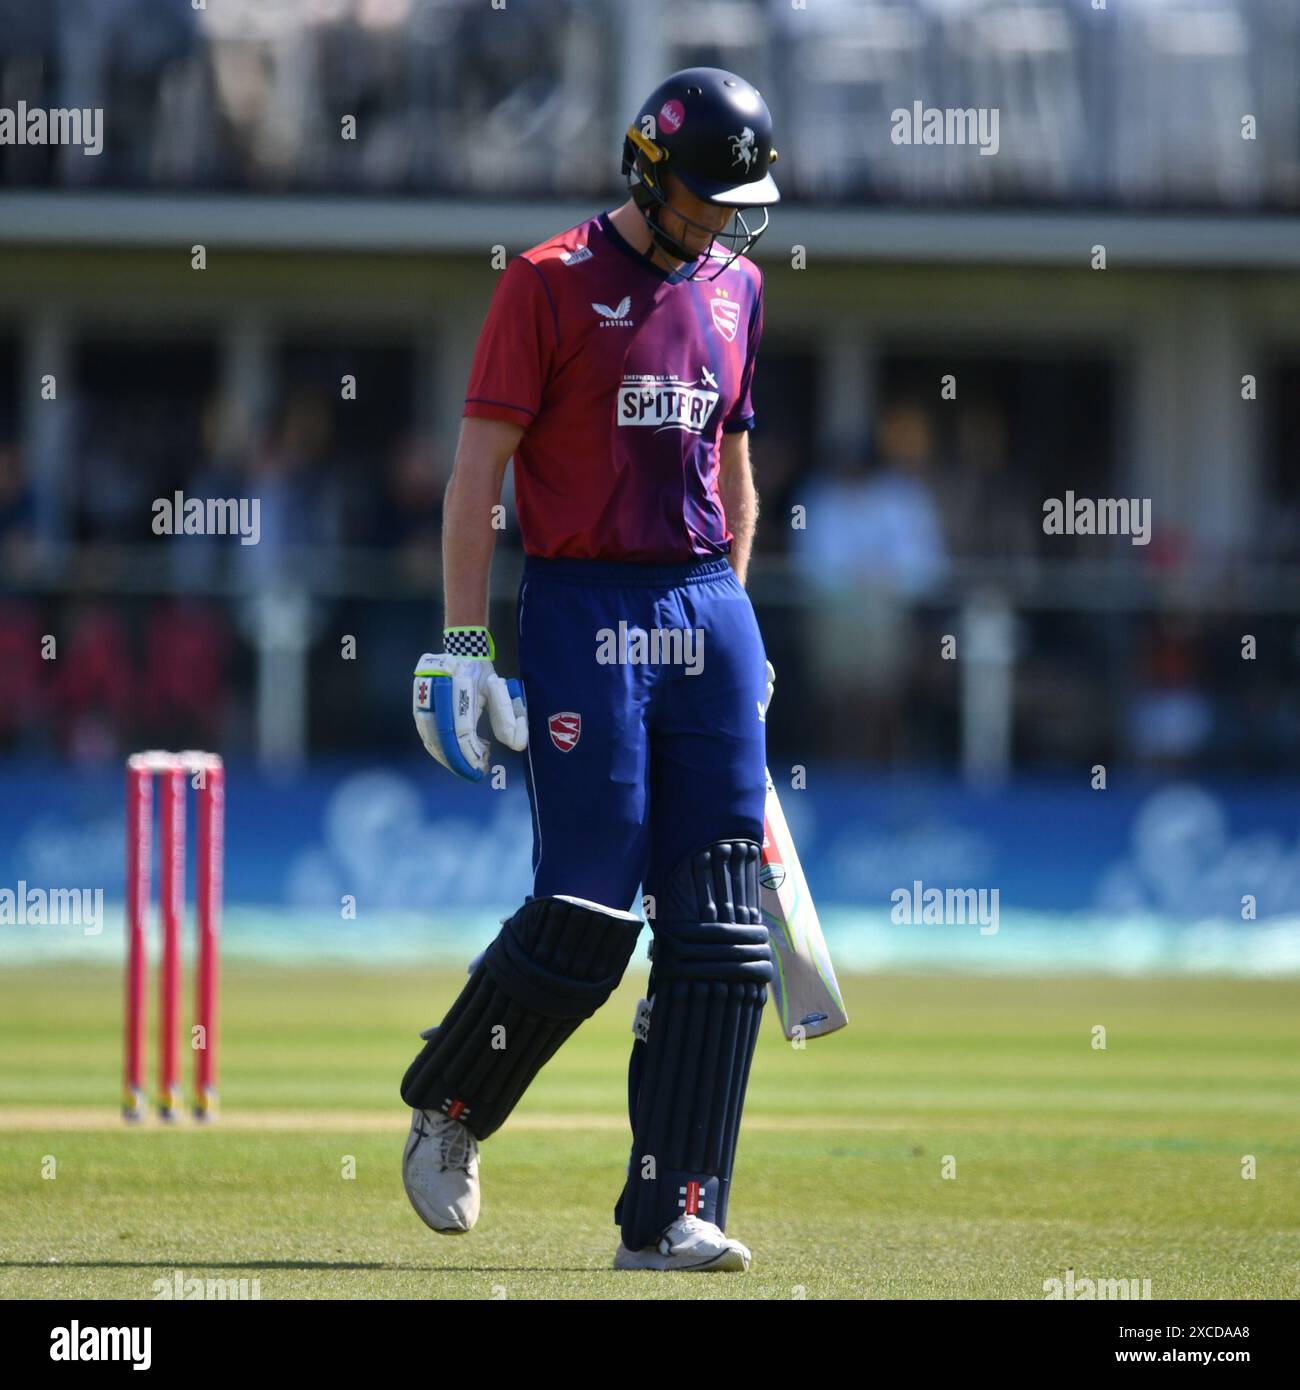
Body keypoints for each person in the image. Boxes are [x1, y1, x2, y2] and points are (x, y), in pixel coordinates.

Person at [400, 68, 780, 1273]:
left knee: (723, 933)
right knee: (589, 908)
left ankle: (671, 1211)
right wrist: (466, 646)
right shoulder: (548, 280)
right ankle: (451, 1107)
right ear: (645, 170)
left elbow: (734, 474)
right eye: (703, 193)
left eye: (737, 197)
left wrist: (738, 635)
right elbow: (477, 481)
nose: (722, 217)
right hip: (583, 608)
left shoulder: (740, 288)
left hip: (704, 607)